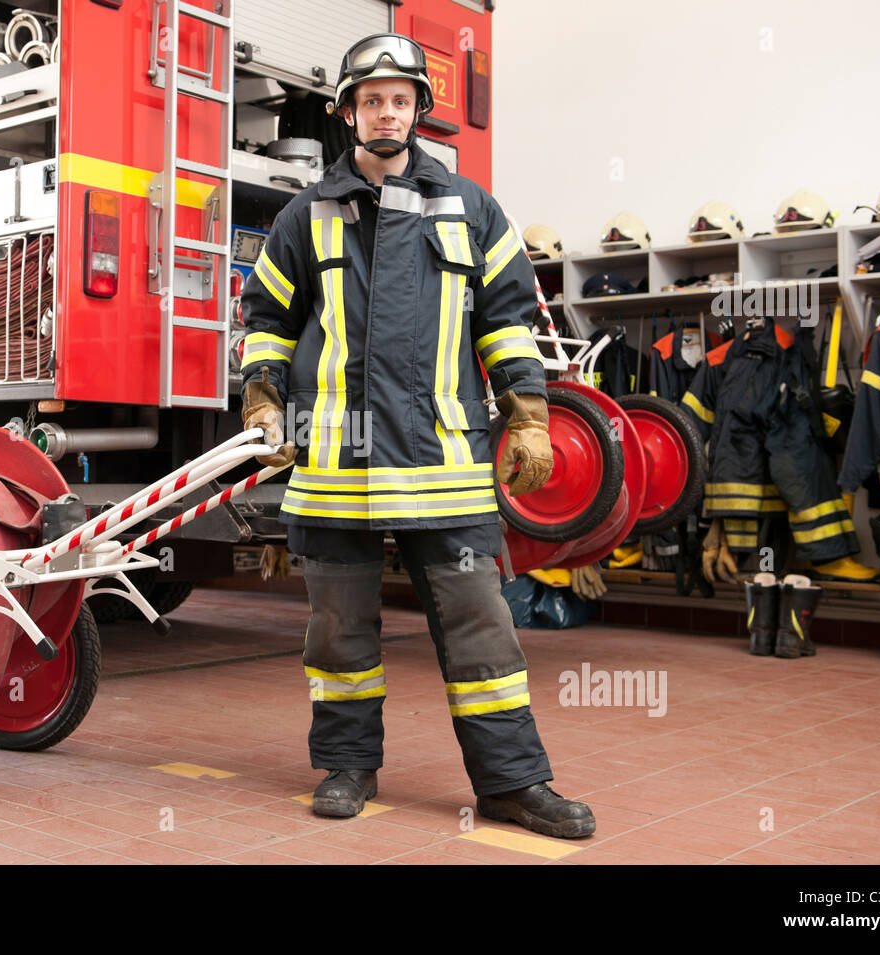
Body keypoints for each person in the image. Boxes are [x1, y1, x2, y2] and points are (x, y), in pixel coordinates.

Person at [238, 33, 595, 839]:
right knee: (338, 633)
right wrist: (264, 401)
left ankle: (512, 781)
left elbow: (508, 318)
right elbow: (266, 319)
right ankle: (347, 766)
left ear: (418, 113)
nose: (387, 112)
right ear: (348, 114)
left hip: (445, 463)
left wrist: (529, 413)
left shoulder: (473, 208)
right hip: (334, 465)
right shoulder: (306, 215)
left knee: (482, 628)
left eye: (401, 99)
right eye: (372, 100)